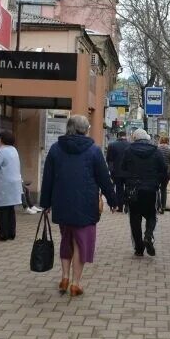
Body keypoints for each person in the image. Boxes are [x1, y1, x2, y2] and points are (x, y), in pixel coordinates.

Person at [40, 115, 116, 297]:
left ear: (69, 128)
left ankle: (64, 277)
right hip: (86, 204)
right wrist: (113, 200)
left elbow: (48, 178)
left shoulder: (56, 149)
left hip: (62, 203)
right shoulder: (94, 150)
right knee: (80, 244)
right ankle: (76, 283)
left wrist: (45, 203)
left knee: (66, 241)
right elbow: (104, 178)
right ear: (85, 129)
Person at [120, 129, 167, 256]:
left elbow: (122, 170)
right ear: (147, 138)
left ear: (134, 138)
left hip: (133, 190)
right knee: (151, 215)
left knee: (135, 219)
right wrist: (157, 182)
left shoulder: (128, 151)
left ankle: (139, 249)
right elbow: (163, 170)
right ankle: (148, 235)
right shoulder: (155, 151)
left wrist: (128, 180)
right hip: (150, 190)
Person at [106, 131, 130, 212]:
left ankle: (120, 207)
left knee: (119, 189)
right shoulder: (130, 145)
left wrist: (111, 170)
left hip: (116, 172)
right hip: (128, 172)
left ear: (118, 136)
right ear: (125, 136)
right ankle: (127, 205)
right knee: (127, 188)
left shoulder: (112, 145)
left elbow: (109, 159)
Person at [157, 136, 170, 214]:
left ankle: (158, 205)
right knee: (163, 190)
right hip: (166, 173)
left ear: (160, 141)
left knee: (156, 189)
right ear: (168, 142)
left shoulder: (157, 150)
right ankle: (163, 207)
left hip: (157, 172)